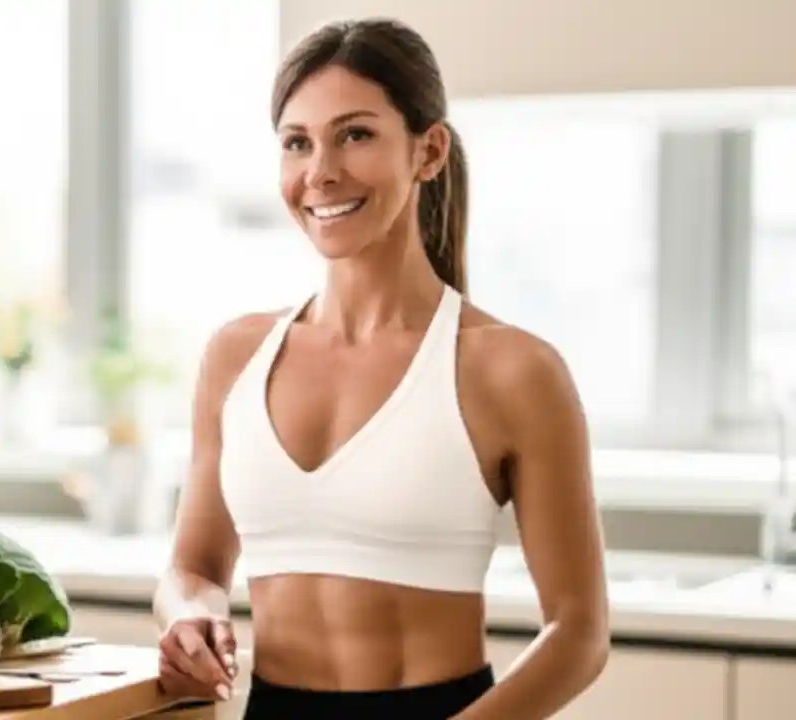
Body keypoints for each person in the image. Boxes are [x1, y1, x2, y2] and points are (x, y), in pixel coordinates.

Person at [151, 17, 610, 720]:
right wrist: (188, 614)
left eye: (355, 135)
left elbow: (579, 634)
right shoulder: (235, 357)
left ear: (428, 151)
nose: (320, 171)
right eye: (297, 143)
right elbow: (195, 567)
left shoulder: (512, 370)